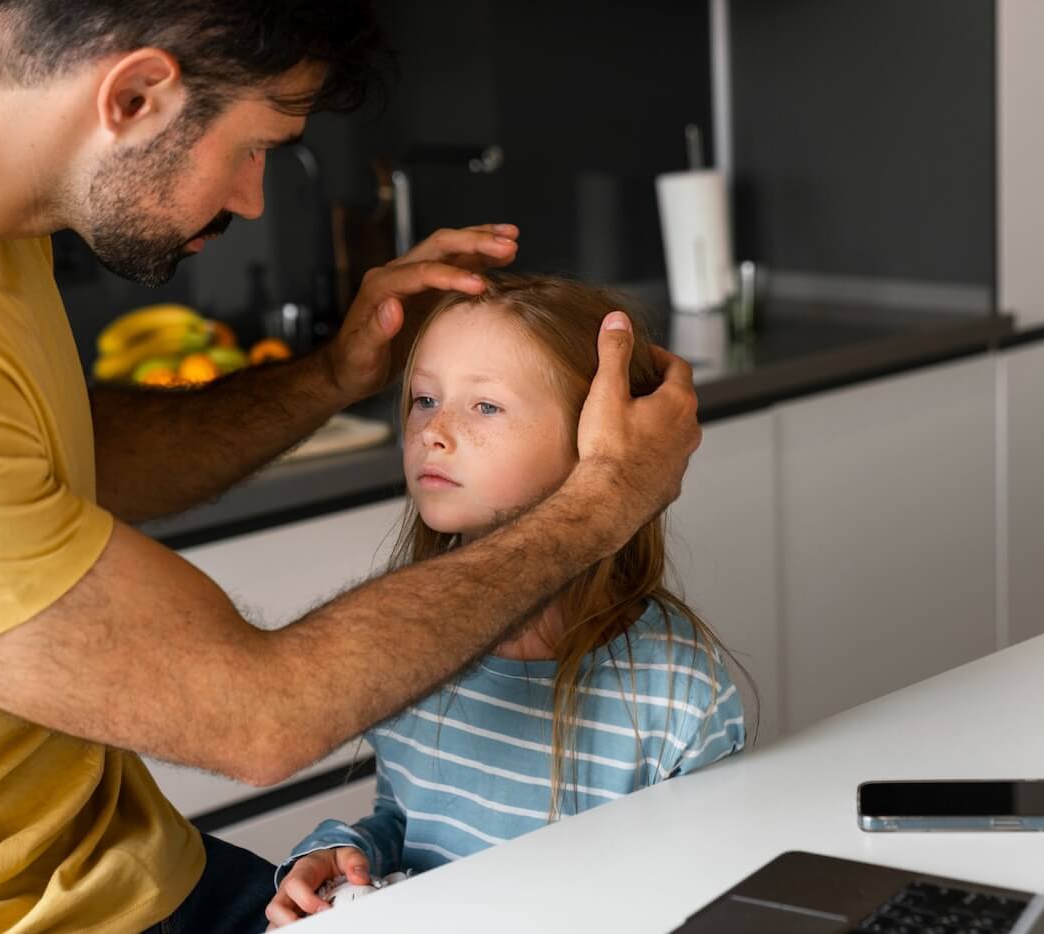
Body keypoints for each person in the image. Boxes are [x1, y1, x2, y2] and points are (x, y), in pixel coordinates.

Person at [0, 4, 701, 932]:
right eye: (259, 143)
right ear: (136, 95)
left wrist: (333, 377)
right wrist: (604, 501)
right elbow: (259, 717)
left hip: (118, 866)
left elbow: (56, 461)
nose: (256, 199)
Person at [263, 275, 747, 927]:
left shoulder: (678, 695)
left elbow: (706, 895)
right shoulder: (409, 652)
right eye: (424, 398)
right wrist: (340, 859)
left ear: (603, 441)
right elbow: (406, 820)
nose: (433, 431)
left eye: (485, 407)